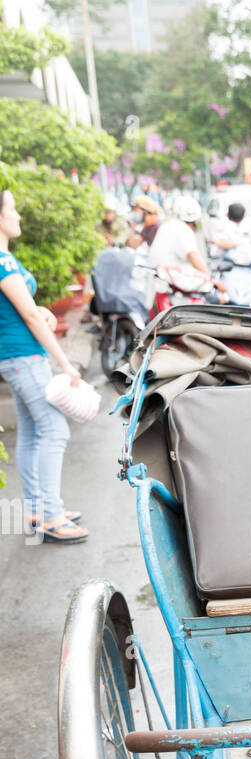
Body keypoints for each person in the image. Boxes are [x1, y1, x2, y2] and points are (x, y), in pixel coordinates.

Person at [0, 189, 87, 542]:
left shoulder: (6, 260)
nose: (18, 216)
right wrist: (65, 364)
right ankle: (50, 516)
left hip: (16, 356)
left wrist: (43, 312)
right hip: (24, 357)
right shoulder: (3, 263)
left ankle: (39, 508)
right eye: (13, 209)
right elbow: (30, 320)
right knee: (55, 430)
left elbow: (27, 311)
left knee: (34, 432)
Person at [148, 194, 227, 296]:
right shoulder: (183, 230)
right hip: (172, 289)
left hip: (161, 286)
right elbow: (193, 257)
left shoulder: (167, 226)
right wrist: (212, 280)